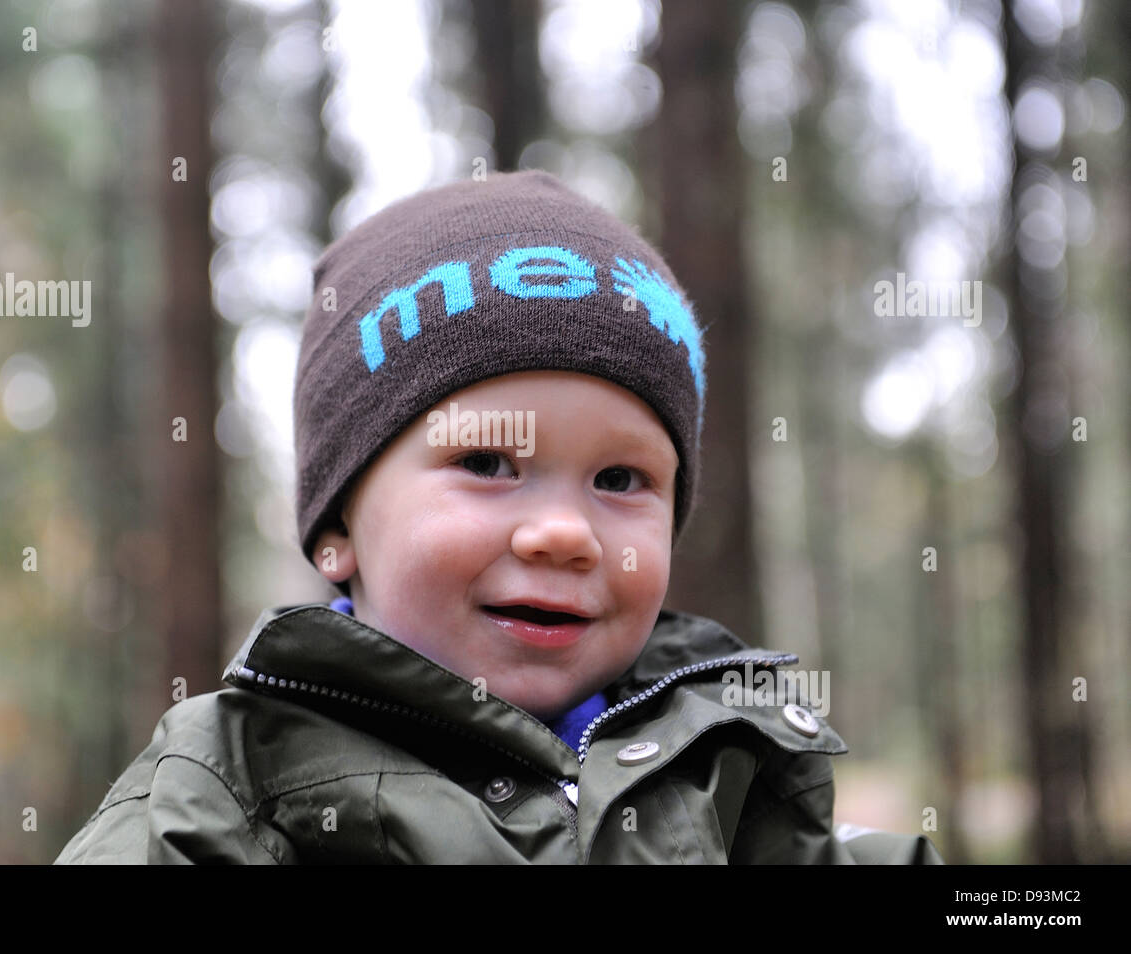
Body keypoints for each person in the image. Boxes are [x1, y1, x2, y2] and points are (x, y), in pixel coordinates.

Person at [55, 170, 943, 864]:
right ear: (337, 529)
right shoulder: (224, 790)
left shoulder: (729, 760)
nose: (564, 533)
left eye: (622, 478)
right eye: (487, 463)